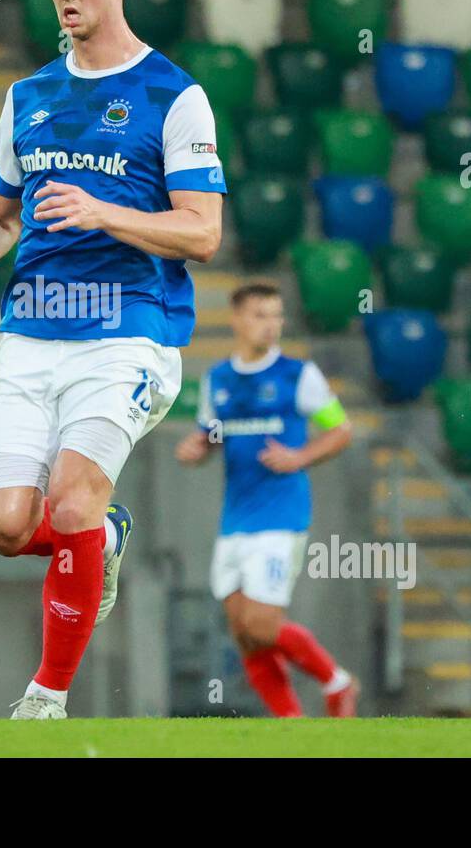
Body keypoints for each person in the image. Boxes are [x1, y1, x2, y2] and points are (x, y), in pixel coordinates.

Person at [0, 0, 226, 719]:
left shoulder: (174, 95)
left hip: (128, 332)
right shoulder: (27, 98)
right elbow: (0, 216)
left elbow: (202, 231)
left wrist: (104, 212)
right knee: (5, 525)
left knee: (70, 501)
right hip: (29, 334)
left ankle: (45, 699)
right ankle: (101, 538)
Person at [174, 280, 359, 717]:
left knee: (263, 624)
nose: (271, 324)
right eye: (260, 315)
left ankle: (337, 682)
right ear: (236, 319)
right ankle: (291, 727)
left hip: (281, 517)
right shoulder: (218, 379)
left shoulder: (299, 376)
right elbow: (213, 433)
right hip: (235, 518)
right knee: (244, 633)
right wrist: (198, 448)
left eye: (277, 315)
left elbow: (341, 429)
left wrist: (300, 456)